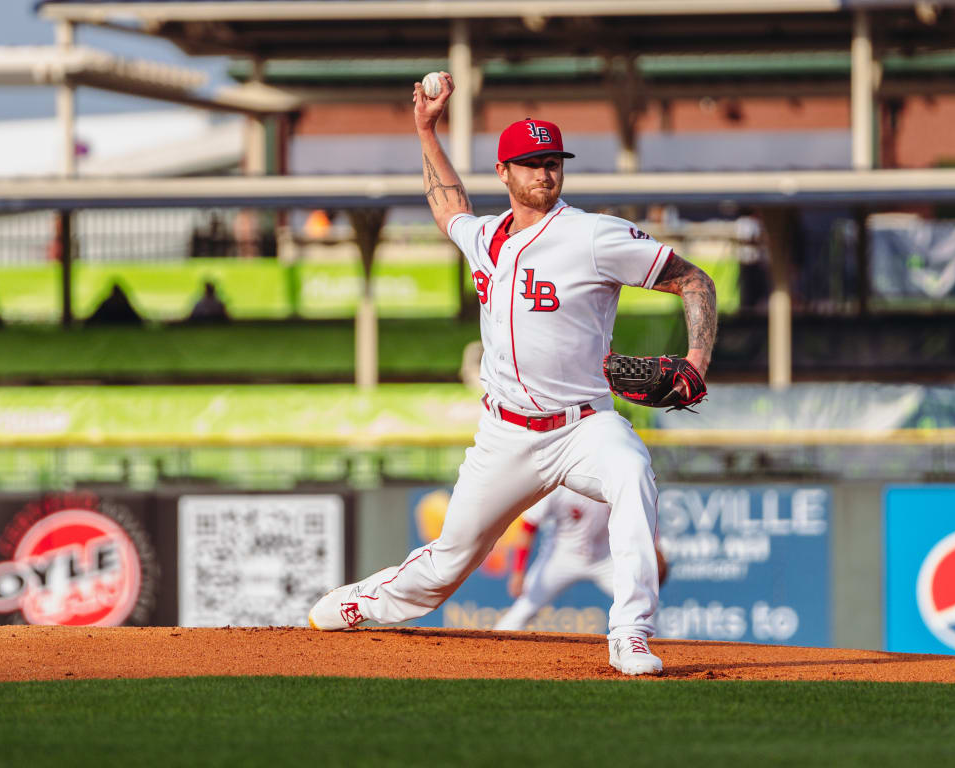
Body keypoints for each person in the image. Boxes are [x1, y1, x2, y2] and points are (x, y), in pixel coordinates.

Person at [307, 72, 718, 676]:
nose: (544, 173)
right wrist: (426, 129)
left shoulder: (594, 235)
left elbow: (693, 279)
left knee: (632, 472)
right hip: (506, 434)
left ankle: (631, 634)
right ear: (504, 172)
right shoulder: (484, 238)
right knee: (446, 566)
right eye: (530, 163)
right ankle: (360, 602)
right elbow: (448, 206)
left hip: (583, 425)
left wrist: (696, 359)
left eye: (552, 162)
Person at [494, 487, 668, 632]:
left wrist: (654, 546)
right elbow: (528, 526)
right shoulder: (558, 486)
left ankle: (646, 651)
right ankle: (494, 646)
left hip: (605, 559)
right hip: (561, 558)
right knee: (525, 607)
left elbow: (641, 514)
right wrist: (518, 570)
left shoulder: (611, 483)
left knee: (640, 604)